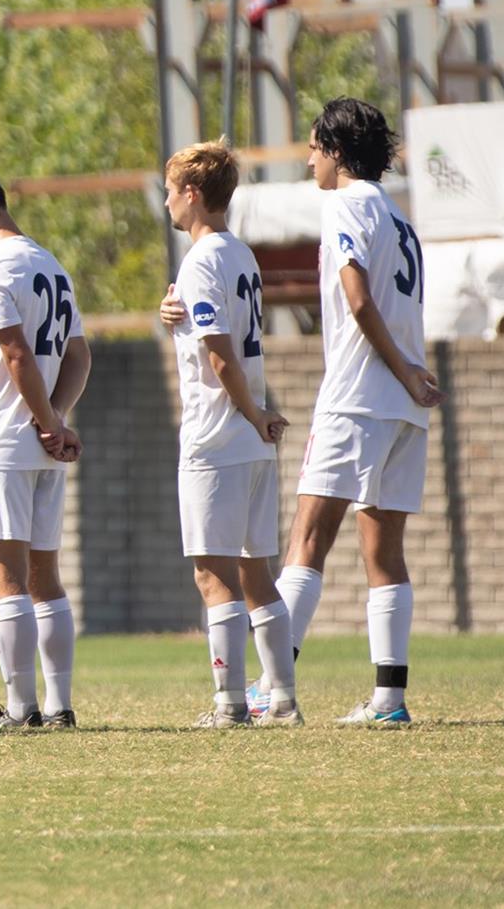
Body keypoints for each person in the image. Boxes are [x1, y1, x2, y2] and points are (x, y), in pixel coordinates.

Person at [262, 98, 443, 725]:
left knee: (307, 538)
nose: (309, 158)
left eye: (314, 146)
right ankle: (389, 699)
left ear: (337, 151)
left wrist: (397, 368)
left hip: (359, 395)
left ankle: (273, 690)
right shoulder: (399, 215)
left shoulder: (344, 205)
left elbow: (358, 300)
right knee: (382, 548)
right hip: (404, 406)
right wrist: (412, 376)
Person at [155, 140, 299, 728]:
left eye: (169, 191)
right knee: (255, 569)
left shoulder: (202, 260)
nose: (166, 202)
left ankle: (229, 705)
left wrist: (251, 412)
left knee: (212, 572)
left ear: (191, 195)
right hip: (251, 437)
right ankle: (283, 699)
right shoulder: (240, 253)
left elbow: (219, 356)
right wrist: (176, 317)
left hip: (219, 435)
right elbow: (211, 333)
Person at [0, 164, 92, 728]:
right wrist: (56, 418)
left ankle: (20, 706)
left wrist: (43, 420)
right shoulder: (51, 264)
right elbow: (80, 355)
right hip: (41, 445)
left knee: (4, 577)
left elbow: (14, 354)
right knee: (45, 576)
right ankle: (59, 704)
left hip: (5, 440)